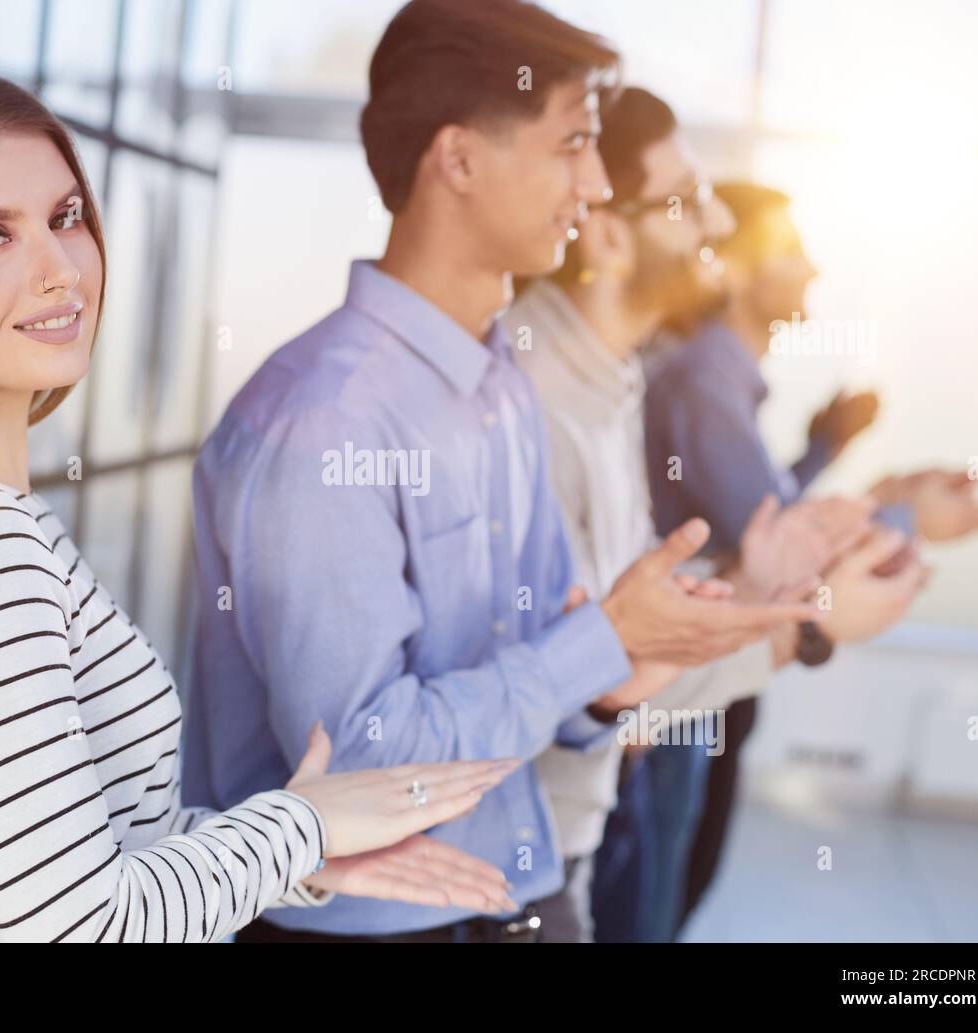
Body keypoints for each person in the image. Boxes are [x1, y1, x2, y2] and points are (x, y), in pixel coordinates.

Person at [0, 72, 522, 943]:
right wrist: (305, 825)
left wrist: (293, 852)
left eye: (66, 218)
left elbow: (88, 859)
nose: (60, 270)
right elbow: (81, 926)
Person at [184, 0, 817, 944]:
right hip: (366, 929)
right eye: (573, 145)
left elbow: (545, 665)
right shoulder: (323, 420)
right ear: (461, 161)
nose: (594, 184)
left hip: (511, 896)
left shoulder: (500, 389)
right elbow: (365, 766)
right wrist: (597, 643)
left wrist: (611, 674)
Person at [506, 85, 920, 942]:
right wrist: (811, 609)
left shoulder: (618, 383)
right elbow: (596, 670)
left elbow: (635, 625)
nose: (710, 234)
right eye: (684, 204)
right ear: (609, 232)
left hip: (595, 786)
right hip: (556, 815)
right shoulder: (585, 391)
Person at [644, 179, 978, 930]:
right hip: (679, 676)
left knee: (676, 884)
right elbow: (776, 539)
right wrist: (902, 513)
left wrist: (836, 456)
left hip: (700, 667)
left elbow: (760, 513)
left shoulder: (720, 378)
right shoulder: (706, 379)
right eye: (791, 252)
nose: (812, 270)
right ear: (737, 268)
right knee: (654, 899)